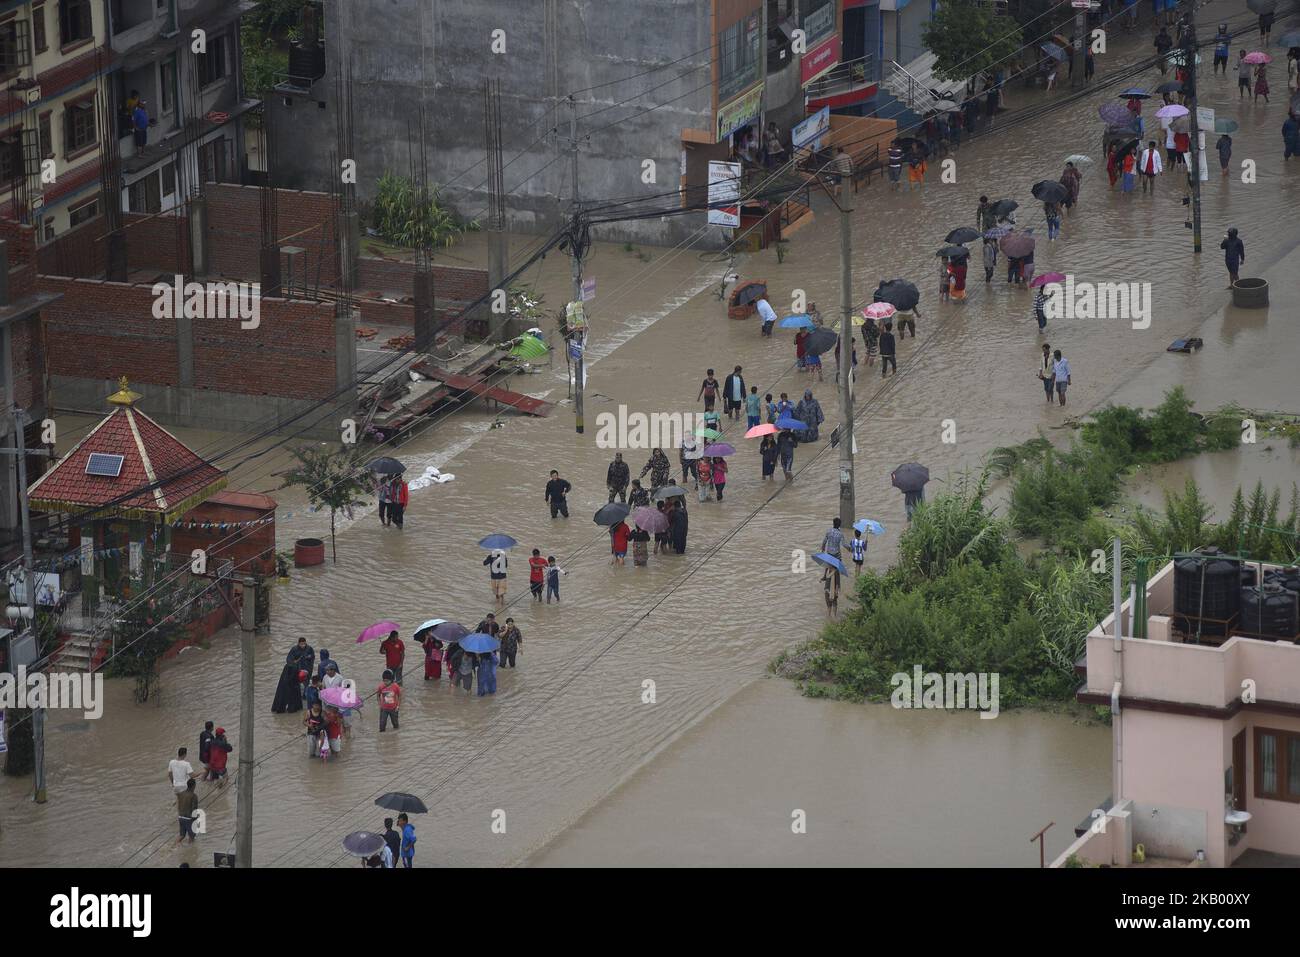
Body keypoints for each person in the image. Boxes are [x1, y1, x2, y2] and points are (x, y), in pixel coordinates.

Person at [271, 646, 305, 714]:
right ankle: (292, 710)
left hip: (283, 685)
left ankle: (279, 709)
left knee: (281, 698)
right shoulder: (295, 667)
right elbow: (294, 678)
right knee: (292, 700)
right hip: (292, 686)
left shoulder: (287, 665)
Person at [176, 779, 199, 845]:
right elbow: (194, 809)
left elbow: (179, 805)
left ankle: (173, 847)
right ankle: (190, 852)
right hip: (189, 819)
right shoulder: (194, 796)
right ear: (194, 786)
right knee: (192, 837)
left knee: (182, 836)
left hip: (180, 817)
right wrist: (196, 818)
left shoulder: (181, 794)